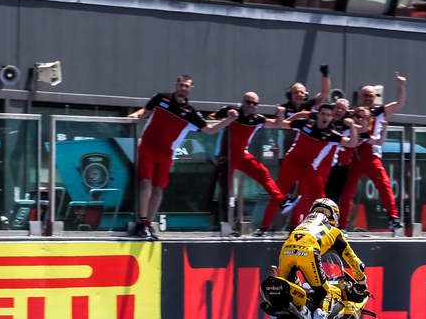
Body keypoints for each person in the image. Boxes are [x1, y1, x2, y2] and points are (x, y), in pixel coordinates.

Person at [128, 75, 237, 239]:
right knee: (145, 183)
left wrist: (229, 120)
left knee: (158, 189)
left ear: (190, 89)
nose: (183, 88)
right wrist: (135, 116)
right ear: (176, 85)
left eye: (186, 86)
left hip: (166, 153)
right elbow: (146, 110)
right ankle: (142, 222)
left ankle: (149, 224)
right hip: (148, 146)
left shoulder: (191, 113)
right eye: (181, 85)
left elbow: (209, 130)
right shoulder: (161, 98)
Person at [276, 198, 366, 319]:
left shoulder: (303, 224)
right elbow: (354, 261)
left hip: (285, 252)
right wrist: (361, 279)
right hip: (309, 252)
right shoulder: (334, 231)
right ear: (334, 215)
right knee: (324, 292)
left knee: (288, 293)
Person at [258, 103, 359, 233]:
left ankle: (323, 228)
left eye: (328, 115)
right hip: (291, 163)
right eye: (323, 114)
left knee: (319, 198)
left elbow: (352, 143)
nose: (325, 117)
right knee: (278, 195)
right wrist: (281, 113)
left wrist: (351, 126)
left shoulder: (332, 134)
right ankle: (263, 228)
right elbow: (281, 125)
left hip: (308, 167)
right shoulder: (303, 124)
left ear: (331, 118)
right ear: (318, 115)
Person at [338, 72, 407, 233]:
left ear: (375, 97)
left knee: (384, 184)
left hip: (372, 155)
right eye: (365, 95)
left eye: (371, 96)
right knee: (348, 191)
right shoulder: (352, 113)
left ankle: (393, 218)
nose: (368, 98)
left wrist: (401, 85)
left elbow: (399, 103)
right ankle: (342, 225)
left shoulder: (378, 111)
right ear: (360, 96)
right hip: (355, 154)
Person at [209, 91, 285, 232]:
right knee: (226, 190)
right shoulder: (231, 111)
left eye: (254, 104)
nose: (251, 106)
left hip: (242, 154)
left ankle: (282, 201)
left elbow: (276, 125)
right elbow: (210, 119)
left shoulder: (257, 119)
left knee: (262, 172)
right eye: (248, 102)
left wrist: (280, 114)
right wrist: (228, 117)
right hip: (227, 155)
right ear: (243, 102)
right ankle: (226, 226)